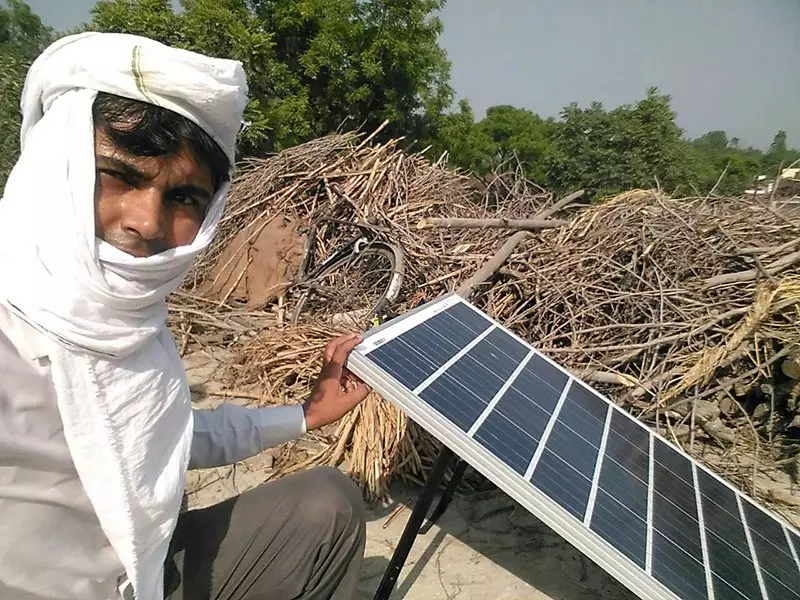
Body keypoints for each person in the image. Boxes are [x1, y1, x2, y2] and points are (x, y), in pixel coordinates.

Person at [0, 32, 371, 600]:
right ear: (55, 166)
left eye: (183, 198)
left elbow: (153, 435)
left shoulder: (134, 324)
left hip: (149, 569)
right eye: (118, 176)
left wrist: (303, 415)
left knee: (329, 504)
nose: (147, 222)